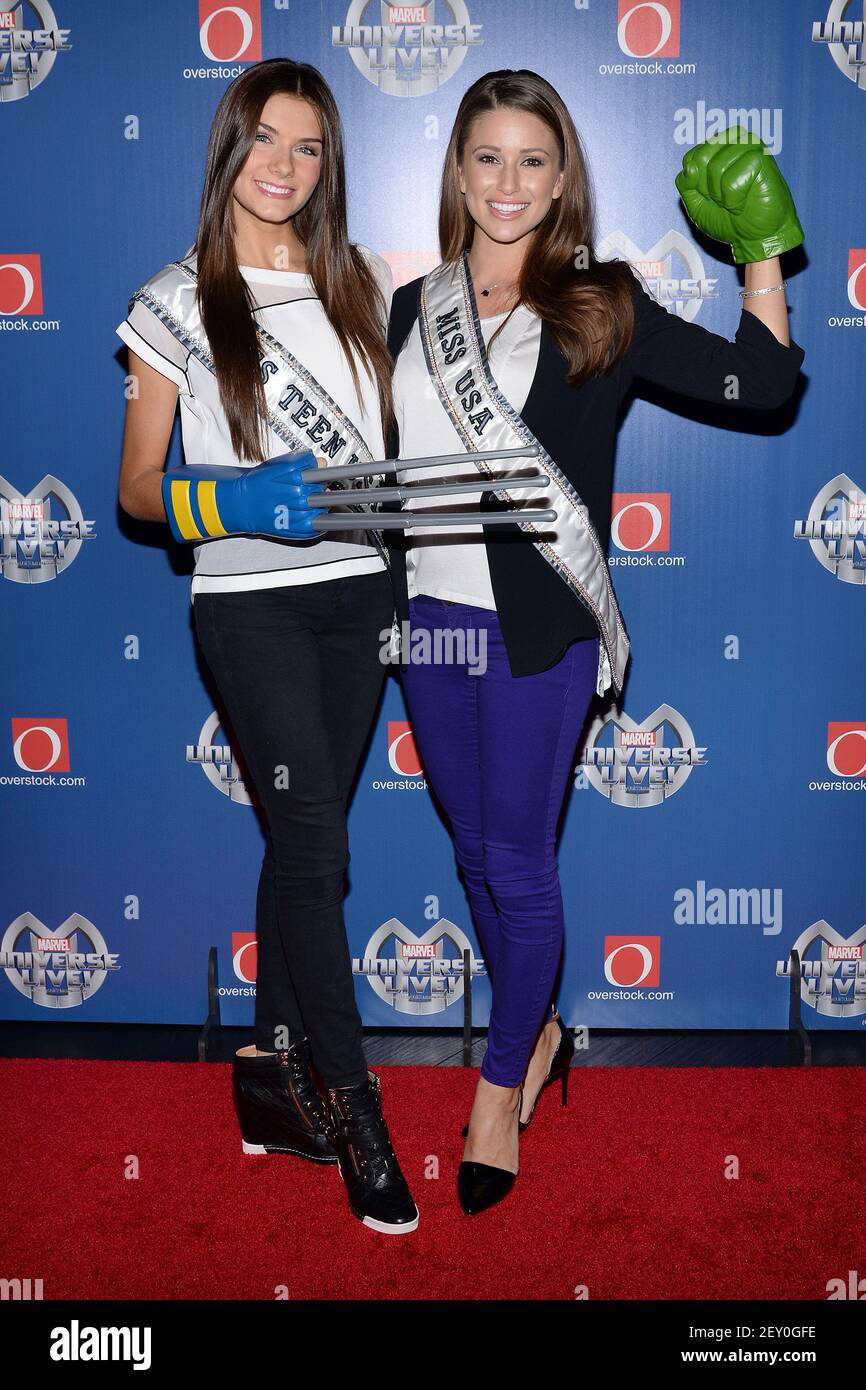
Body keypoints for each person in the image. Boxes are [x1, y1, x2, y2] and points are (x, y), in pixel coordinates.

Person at [385, 69, 806, 1215]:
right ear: (457, 170)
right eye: (487, 158)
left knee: (515, 862)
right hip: (431, 627)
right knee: (472, 852)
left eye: (532, 160)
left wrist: (760, 251)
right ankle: (541, 1029)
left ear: (561, 176)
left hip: (542, 630)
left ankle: (492, 1089)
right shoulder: (407, 309)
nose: (507, 182)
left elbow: (760, 385)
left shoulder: (600, 302)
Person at [116, 58, 418, 1235]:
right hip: (250, 608)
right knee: (312, 850)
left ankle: (270, 1082)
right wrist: (236, 500)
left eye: (308, 147)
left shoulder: (360, 283)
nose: (284, 167)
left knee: (305, 849)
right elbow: (140, 493)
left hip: (358, 600)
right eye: (265, 140)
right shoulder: (175, 297)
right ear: (227, 145)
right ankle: (352, 1108)